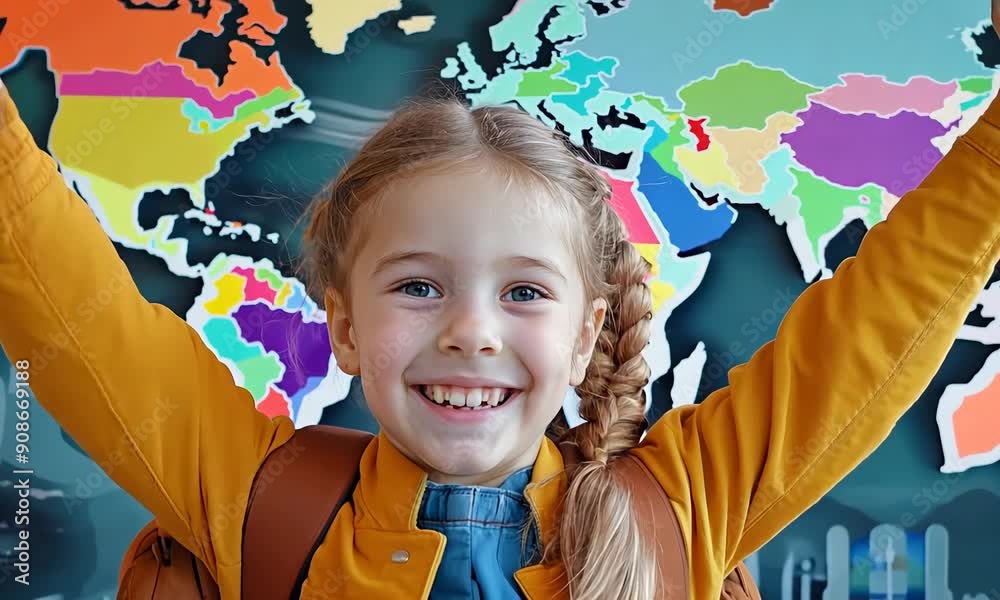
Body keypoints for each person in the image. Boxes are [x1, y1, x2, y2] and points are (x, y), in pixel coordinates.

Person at [1, 12, 999, 597]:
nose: (470, 331)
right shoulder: (254, 501)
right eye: (417, 286)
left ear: (587, 333)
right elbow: (64, 298)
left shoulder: (682, 513)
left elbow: (879, 325)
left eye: (523, 291)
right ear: (343, 324)